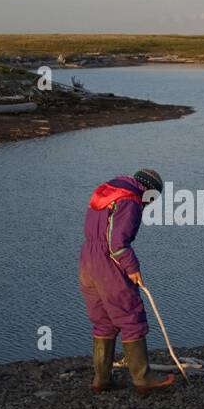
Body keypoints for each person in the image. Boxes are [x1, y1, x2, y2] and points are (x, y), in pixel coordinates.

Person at [78, 168, 174, 397]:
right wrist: (132, 268)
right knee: (131, 317)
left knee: (103, 321)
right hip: (108, 264)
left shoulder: (108, 193)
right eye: (153, 199)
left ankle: (101, 380)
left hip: (86, 262)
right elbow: (117, 243)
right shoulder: (130, 201)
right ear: (149, 192)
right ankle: (143, 379)